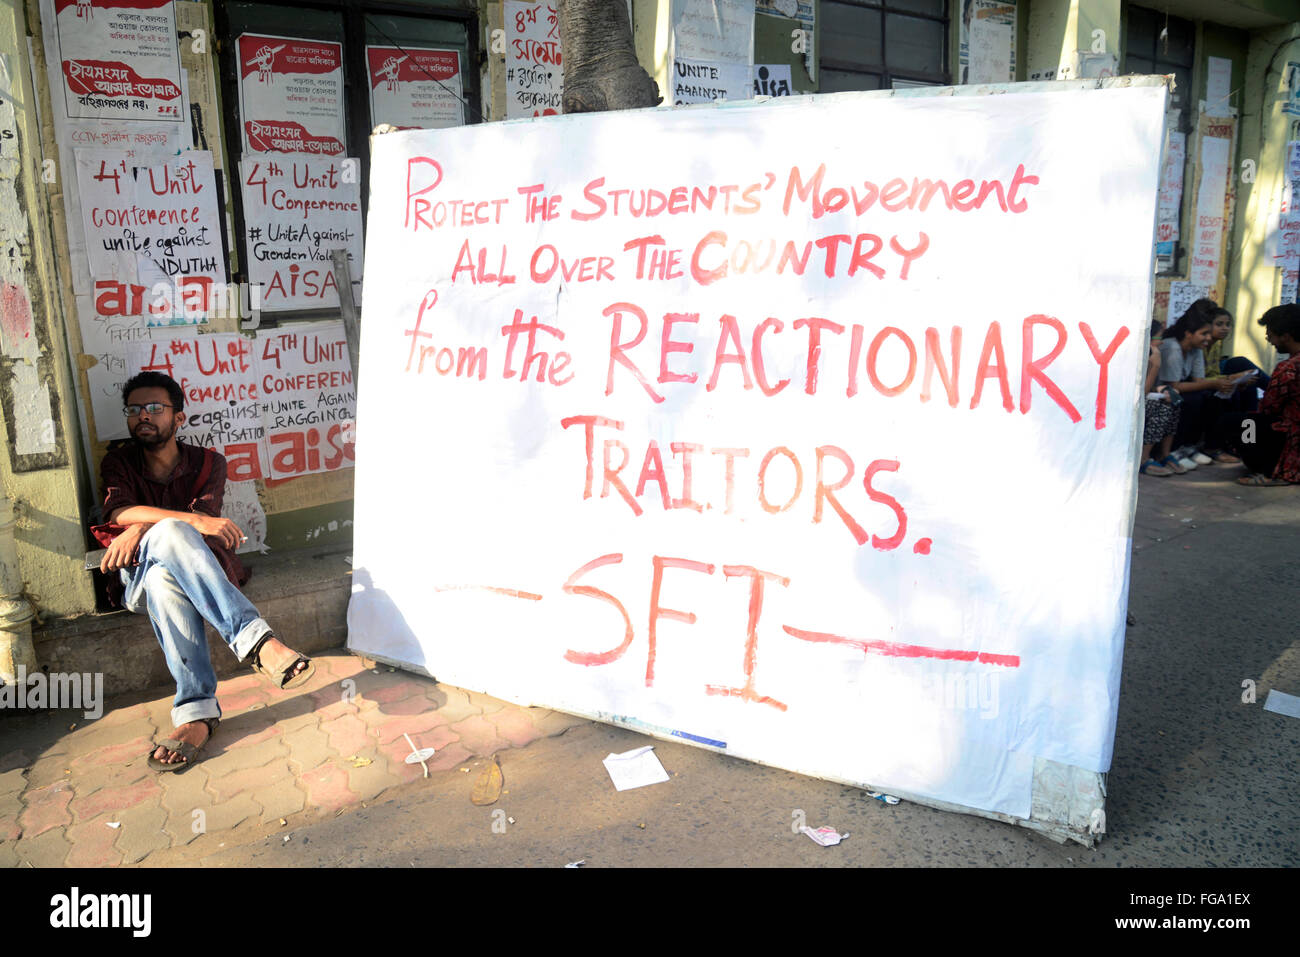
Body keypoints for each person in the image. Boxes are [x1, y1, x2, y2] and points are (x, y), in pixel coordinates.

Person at [97, 371, 314, 771]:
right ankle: (255, 641)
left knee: (166, 577)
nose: (142, 416)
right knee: (170, 539)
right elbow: (121, 511)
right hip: (134, 580)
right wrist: (148, 525)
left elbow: (203, 524)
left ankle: (196, 713)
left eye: (154, 408)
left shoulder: (208, 463)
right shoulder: (118, 461)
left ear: (178, 419)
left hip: (182, 575)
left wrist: (141, 526)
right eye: (134, 410)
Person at [1158, 305, 1253, 470]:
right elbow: (1173, 385)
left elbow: (1199, 380)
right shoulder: (1172, 347)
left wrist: (1222, 384)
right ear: (1188, 333)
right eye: (1204, 334)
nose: (1208, 338)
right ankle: (1175, 449)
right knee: (1191, 399)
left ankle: (1198, 446)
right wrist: (1216, 382)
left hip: (1177, 389)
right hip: (1159, 391)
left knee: (1213, 396)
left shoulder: (1196, 349)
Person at [1219, 304, 1300, 487]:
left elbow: (1269, 408)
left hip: (1291, 436)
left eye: (1270, 333)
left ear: (1286, 336)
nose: (1268, 339)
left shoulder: (1288, 368)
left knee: (1240, 423)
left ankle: (1268, 469)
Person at [1140, 336, 1180, 476]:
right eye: (1158, 338)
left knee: (1174, 400)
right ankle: (1143, 458)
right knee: (1161, 407)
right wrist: (1155, 364)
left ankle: (1164, 453)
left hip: (1143, 397)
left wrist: (1162, 390)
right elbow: (1141, 393)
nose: (1162, 342)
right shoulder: (1148, 357)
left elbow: (1148, 390)